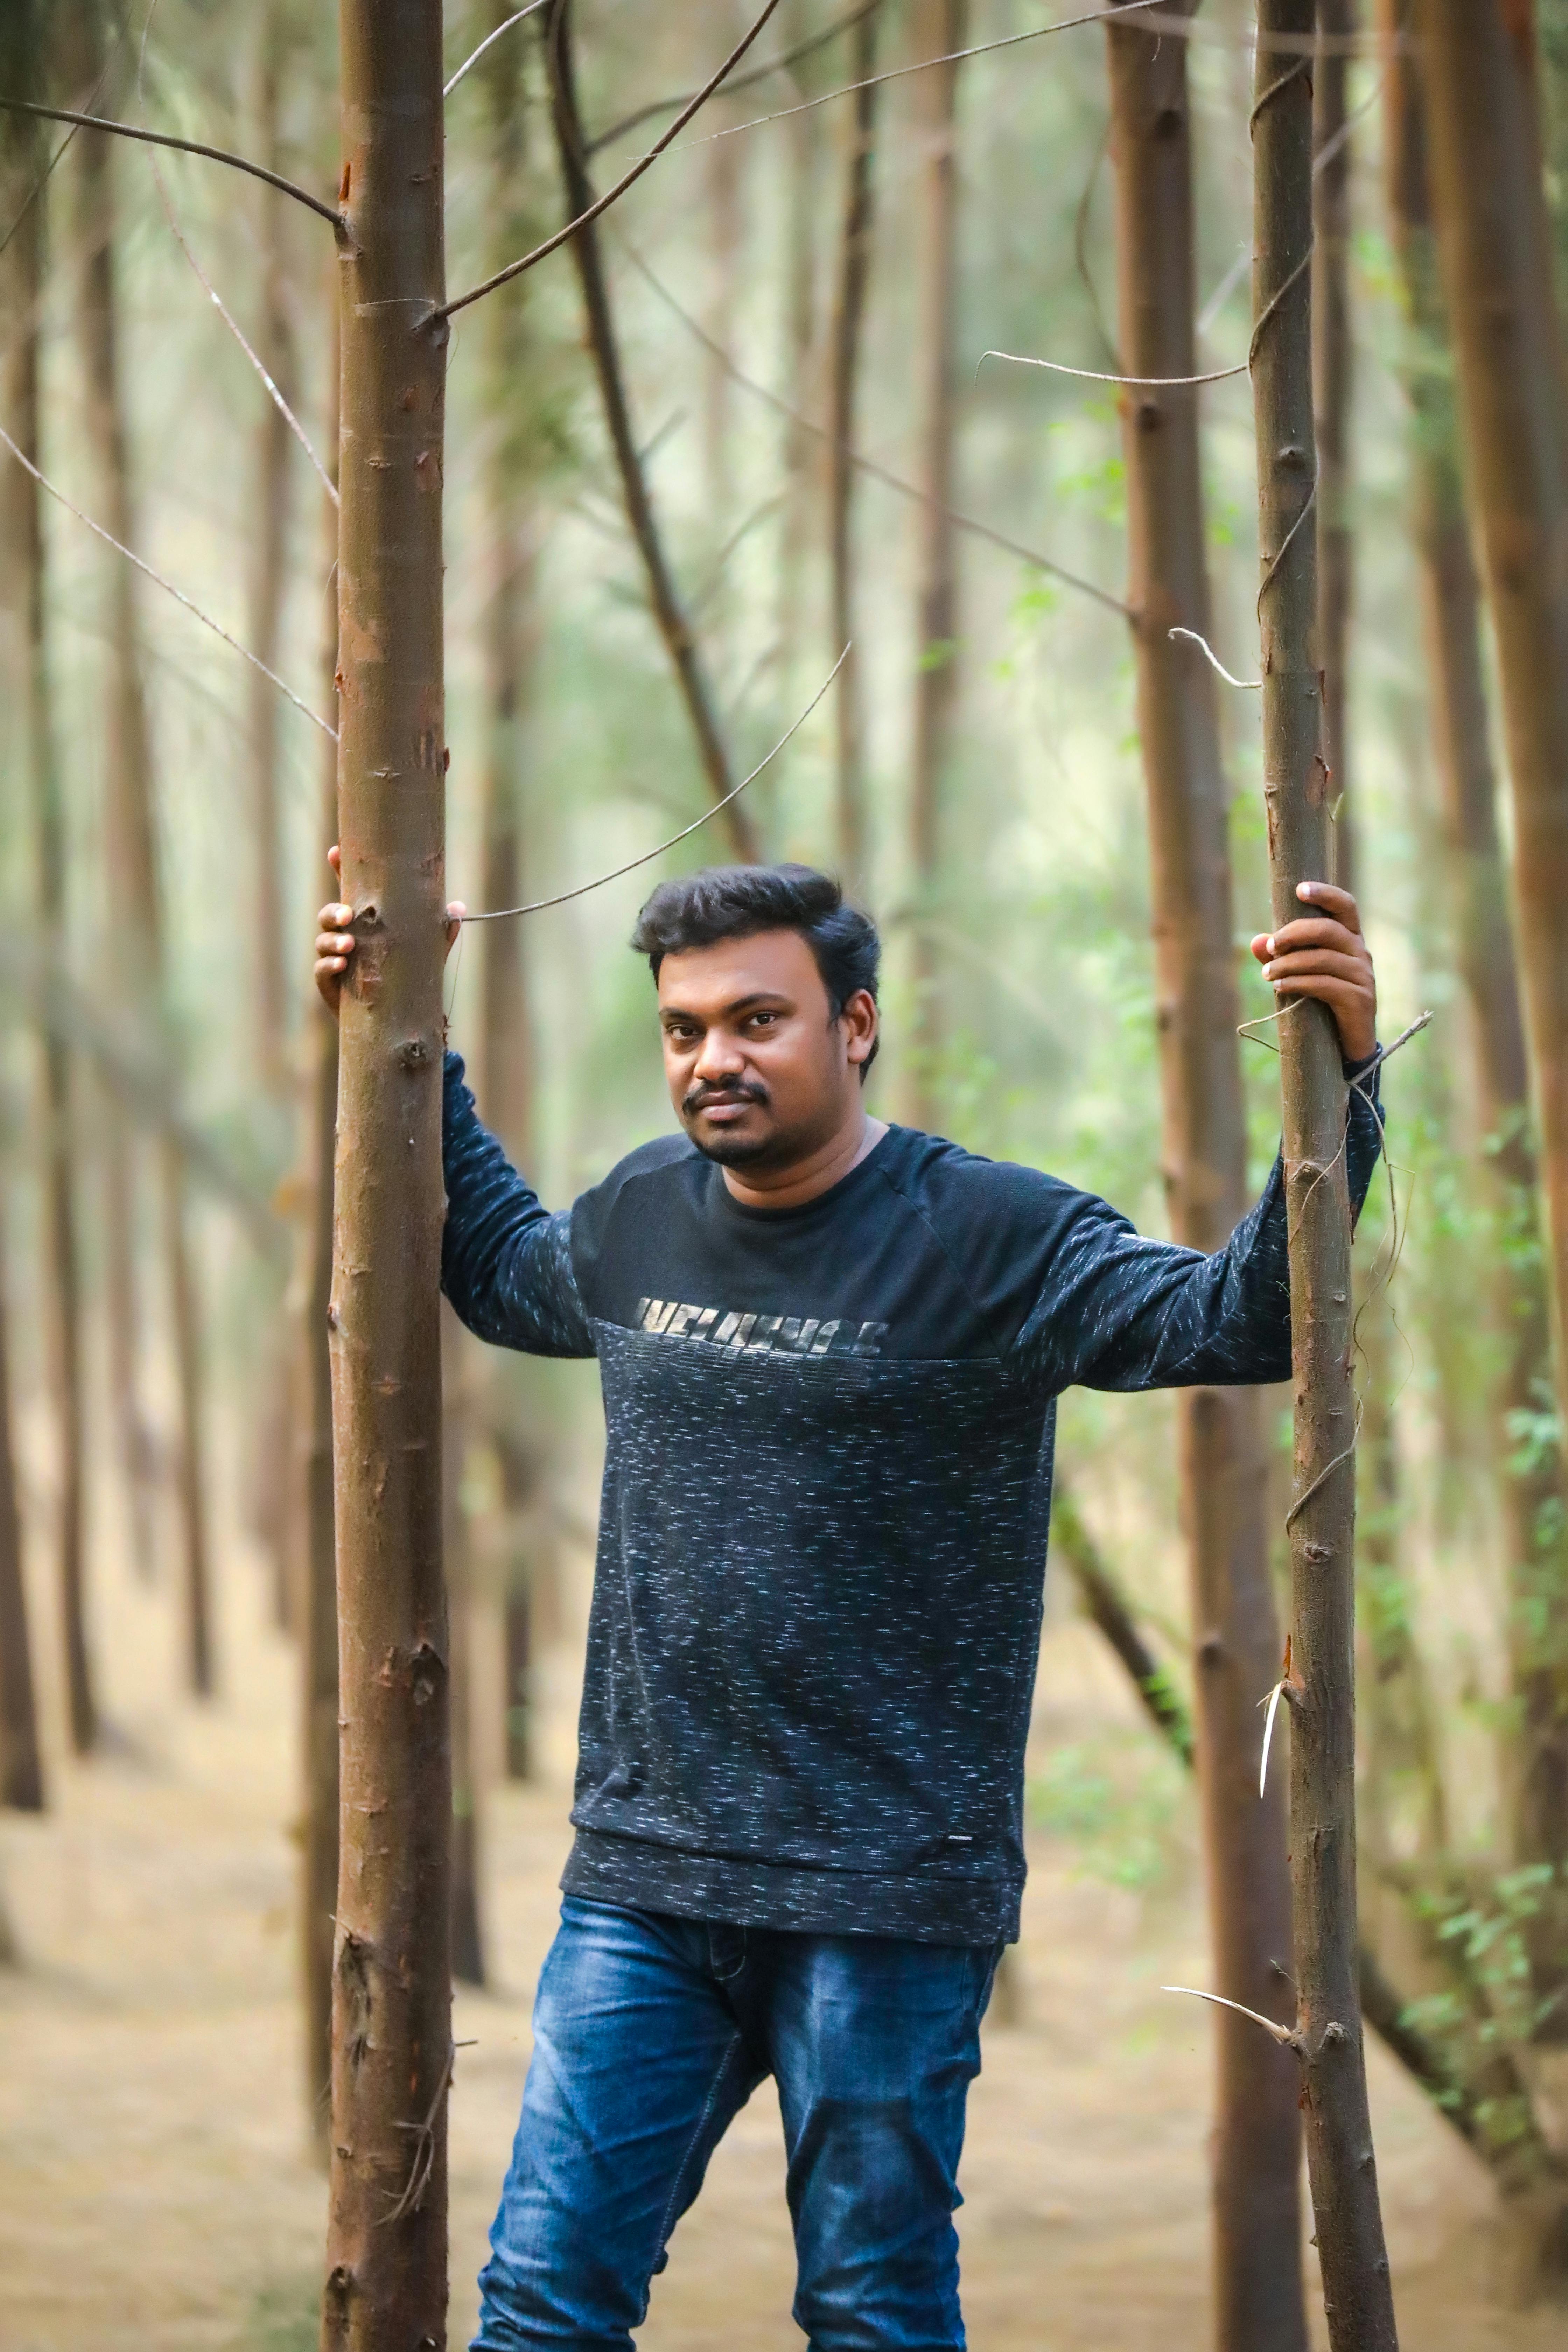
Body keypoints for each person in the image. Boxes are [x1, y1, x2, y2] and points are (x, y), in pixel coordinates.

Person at [315, 858, 1381, 2352]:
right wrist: (408, 1019)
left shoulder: (993, 1237)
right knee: (542, 2310)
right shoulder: (641, 1215)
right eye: (685, 1028)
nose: (714, 1058)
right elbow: (495, 1268)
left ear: (856, 1023)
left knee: (873, 2316)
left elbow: (1239, 1318)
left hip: (888, 1900)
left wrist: (1341, 1072)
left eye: (758, 1019)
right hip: (646, 1885)